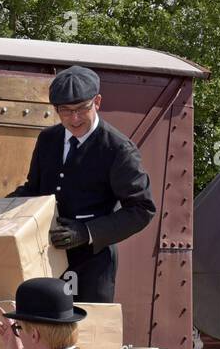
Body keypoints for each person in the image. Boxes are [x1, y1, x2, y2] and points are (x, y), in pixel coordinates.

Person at [10, 65, 156, 304]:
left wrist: (86, 232)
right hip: (44, 258)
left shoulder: (118, 149)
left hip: (93, 263)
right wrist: (2, 207)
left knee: (87, 333)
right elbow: (34, 190)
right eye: (65, 111)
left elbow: (142, 209)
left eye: (81, 109)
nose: (74, 119)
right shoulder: (47, 140)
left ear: (97, 102)